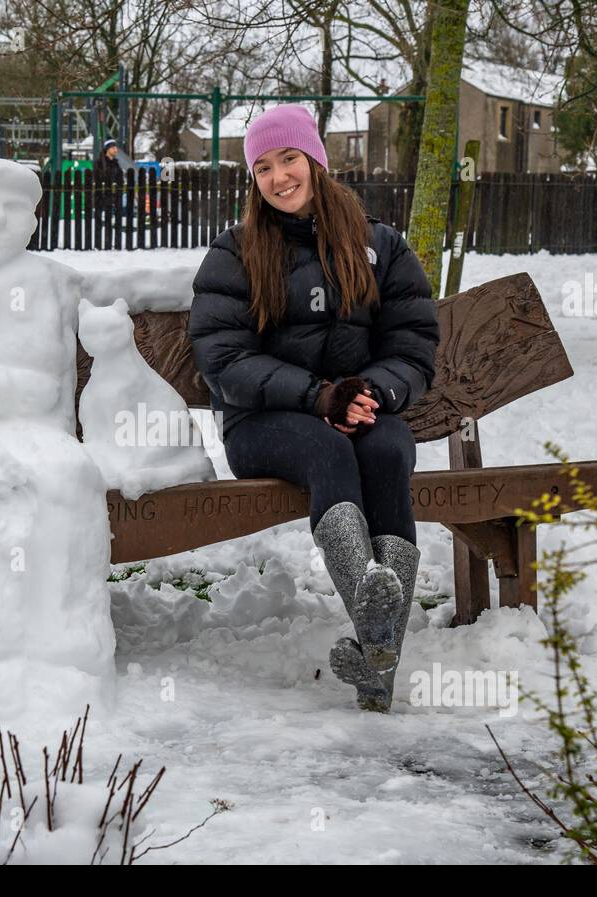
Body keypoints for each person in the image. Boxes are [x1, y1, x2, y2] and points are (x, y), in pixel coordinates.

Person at [187, 104, 440, 714]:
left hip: (360, 413)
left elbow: (412, 345)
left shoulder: (380, 247)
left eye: (289, 159)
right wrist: (315, 396)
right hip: (264, 424)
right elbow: (223, 360)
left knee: (386, 448)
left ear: (317, 162)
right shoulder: (237, 252)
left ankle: (375, 662)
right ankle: (373, 613)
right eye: (264, 167)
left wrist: (368, 394)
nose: (279, 177)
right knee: (329, 447)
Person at [93, 138, 125, 239]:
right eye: (113, 147)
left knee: (115, 219)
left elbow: (120, 178)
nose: (116, 150)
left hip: (114, 196)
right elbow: (97, 178)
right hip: (101, 195)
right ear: (108, 149)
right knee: (99, 220)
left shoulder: (116, 163)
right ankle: (99, 240)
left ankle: (113, 239)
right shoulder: (99, 163)